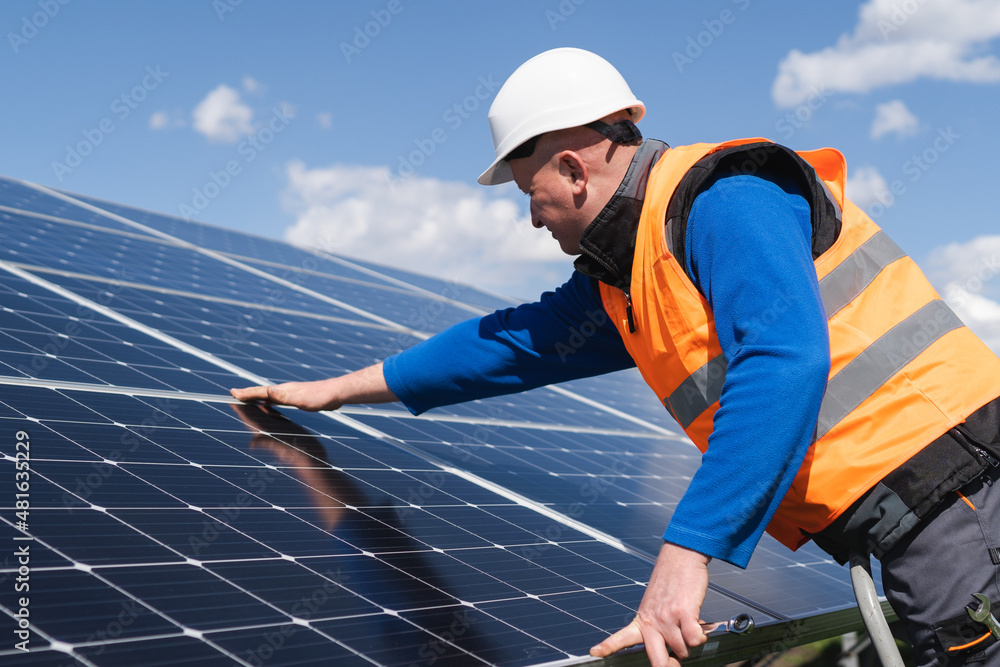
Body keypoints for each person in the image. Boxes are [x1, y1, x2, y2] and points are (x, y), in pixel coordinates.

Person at [232, 48, 1000, 667]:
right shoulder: (624, 278)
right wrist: (336, 390)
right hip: (922, 522)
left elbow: (783, 358)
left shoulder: (726, 198)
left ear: (572, 168)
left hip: (960, 503)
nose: (532, 218)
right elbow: (503, 346)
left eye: (530, 193)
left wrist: (686, 555)